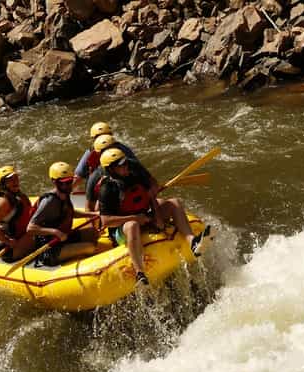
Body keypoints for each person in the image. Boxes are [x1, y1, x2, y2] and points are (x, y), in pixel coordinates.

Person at [97, 148, 210, 286]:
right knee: (132, 225)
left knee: (174, 203)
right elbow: (105, 221)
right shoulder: (107, 189)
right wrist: (135, 218)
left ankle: (193, 242)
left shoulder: (134, 175)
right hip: (123, 229)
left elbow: (150, 197)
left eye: (125, 162)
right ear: (111, 170)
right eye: (121, 165)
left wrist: (158, 217)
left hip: (145, 217)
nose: (125, 166)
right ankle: (139, 272)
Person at [27, 162, 99, 266]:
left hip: (64, 238)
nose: (65, 185)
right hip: (50, 249)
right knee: (91, 247)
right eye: (61, 183)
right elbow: (30, 228)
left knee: (93, 233)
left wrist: (94, 214)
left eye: (69, 182)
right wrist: (55, 232)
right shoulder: (49, 201)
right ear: (54, 181)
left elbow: (70, 213)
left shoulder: (65, 194)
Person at [0, 166, 35, 262]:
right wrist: (6, 241)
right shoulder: (2, 201)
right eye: (10, 180)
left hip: (20, 237)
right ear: (3, 184)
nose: (15, 181)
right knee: (42, 236)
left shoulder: (18, 196)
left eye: (16, 178)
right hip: (8, 247)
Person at [73, 122, 138, 194]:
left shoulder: (122, 150)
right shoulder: (91, 152)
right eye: (99, 137)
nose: (103, 140)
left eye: (106, 136)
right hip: (99, 187)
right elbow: (78, 177)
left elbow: (137, 168)